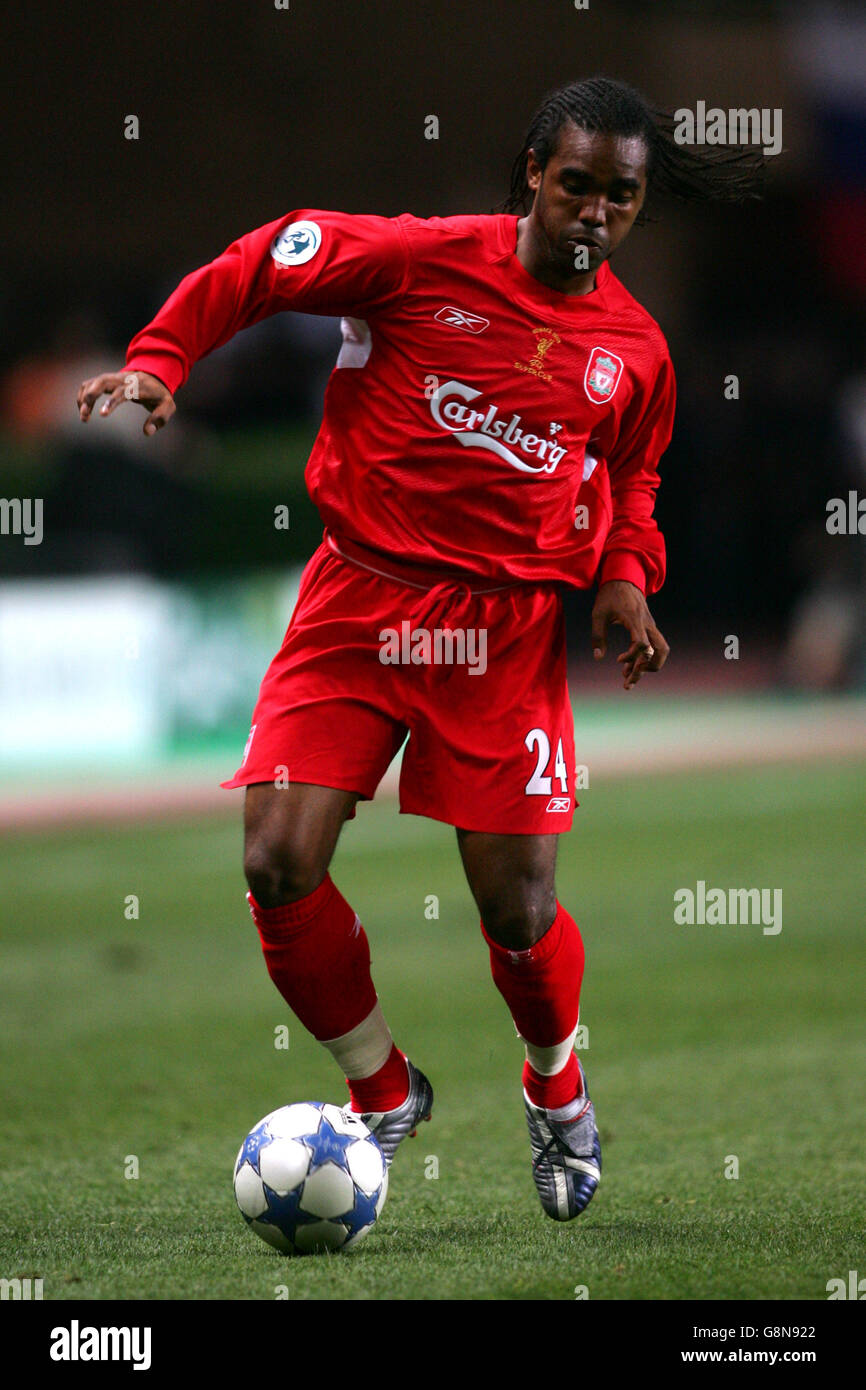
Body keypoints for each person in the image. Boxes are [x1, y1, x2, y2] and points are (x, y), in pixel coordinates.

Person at [78, 77, 763, 1221]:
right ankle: (383, 1089)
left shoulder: (635, 352)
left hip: (496, 636)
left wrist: (623, 577)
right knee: (275, 858)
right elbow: (262, 262)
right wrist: (164, 356)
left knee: (518, 910)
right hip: (358, 601)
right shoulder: (417, 259)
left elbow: (632, 480)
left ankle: (557, 1092)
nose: (594, 213)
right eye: (577, 185)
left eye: (622, 198)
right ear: (533, 175)